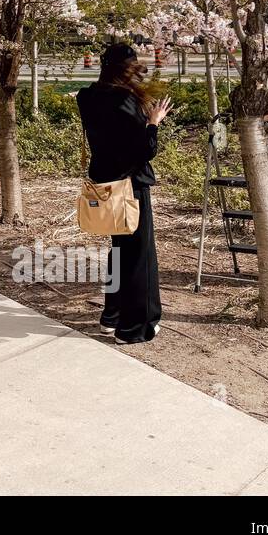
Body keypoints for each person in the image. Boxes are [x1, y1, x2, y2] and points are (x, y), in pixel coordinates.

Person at [76, 43, 170, 344]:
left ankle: (111, 316)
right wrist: (154, 123)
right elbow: (144, 149)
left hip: (105, 183)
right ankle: (132, 328)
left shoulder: (87, 96)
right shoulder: (125, 100)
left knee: (119, 252)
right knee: (139, 257)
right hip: (130, 185)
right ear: (129, 69)